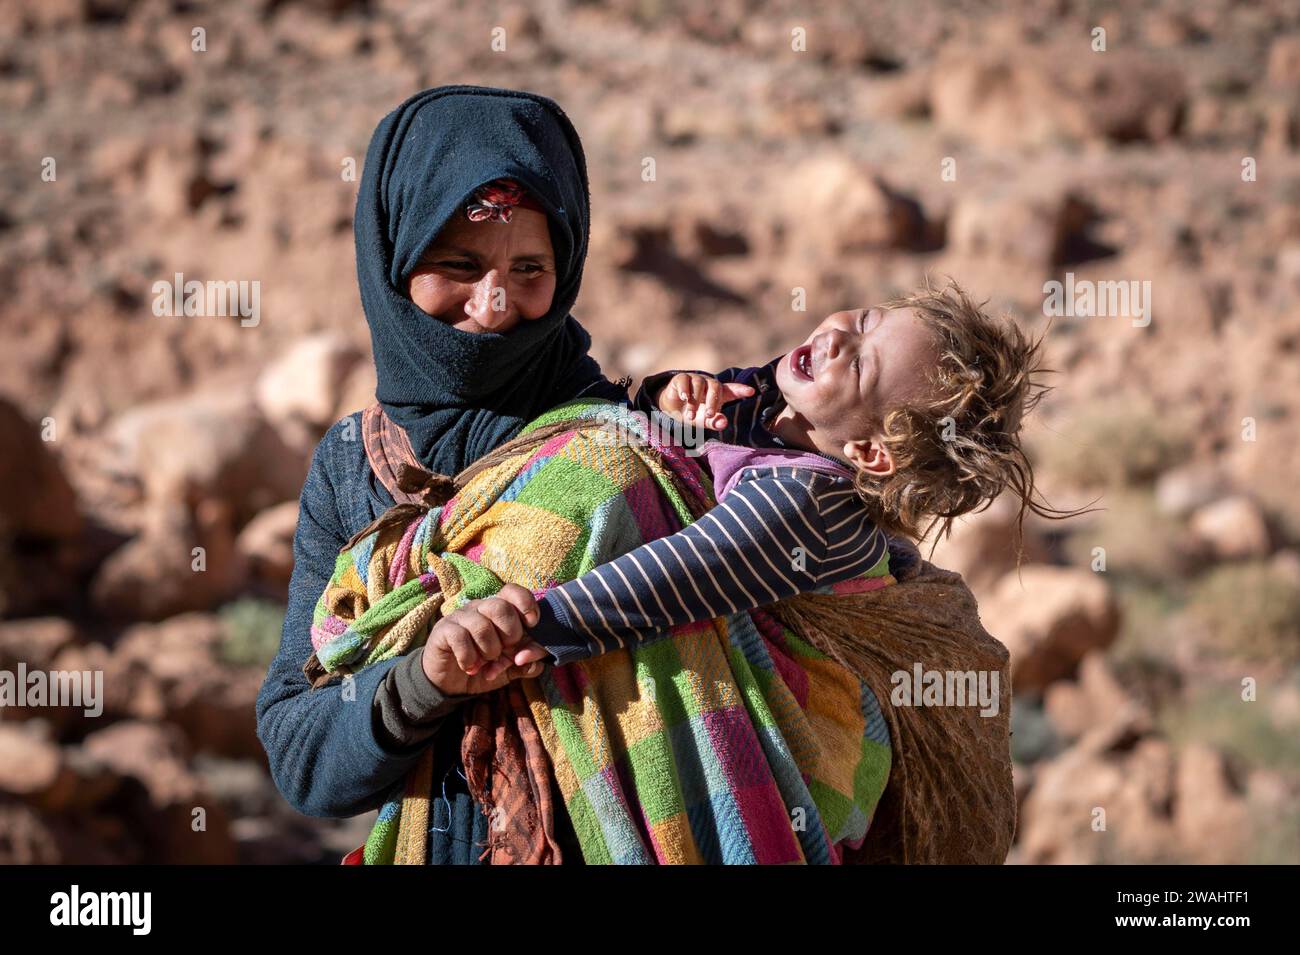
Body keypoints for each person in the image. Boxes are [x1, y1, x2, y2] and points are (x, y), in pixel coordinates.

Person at [254, 84, 627, 864]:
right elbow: (299, 749)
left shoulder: (616, 445)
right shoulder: (354, 466)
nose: (493, 304)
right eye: (459, 263)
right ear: (391, 256)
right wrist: (422, 679)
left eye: (530, 267)